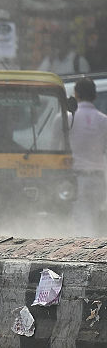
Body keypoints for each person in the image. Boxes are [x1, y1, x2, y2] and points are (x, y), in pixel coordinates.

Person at [68, 78, 107, 235]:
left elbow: (56, 148)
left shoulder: (66, 119)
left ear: (75, 94)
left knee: (78, 221)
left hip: (76, 180)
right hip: (98, 180)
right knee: (96, 220)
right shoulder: (104, 121)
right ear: (95, 96)